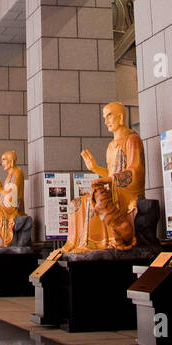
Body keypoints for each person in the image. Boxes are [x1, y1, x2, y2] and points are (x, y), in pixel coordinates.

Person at [62, 101, 143, 252]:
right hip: (114, 188)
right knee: (76, 203)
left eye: (109, 116)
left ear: (120, 117)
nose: (106, 121)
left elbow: (135, 170)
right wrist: (95, 168)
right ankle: (74, 243)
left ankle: (93, 243)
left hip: (126, 193)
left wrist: (111, 180)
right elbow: (111, 174)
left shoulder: (132, 139)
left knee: (93, 202)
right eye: (104, 117)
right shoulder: (111, 145)